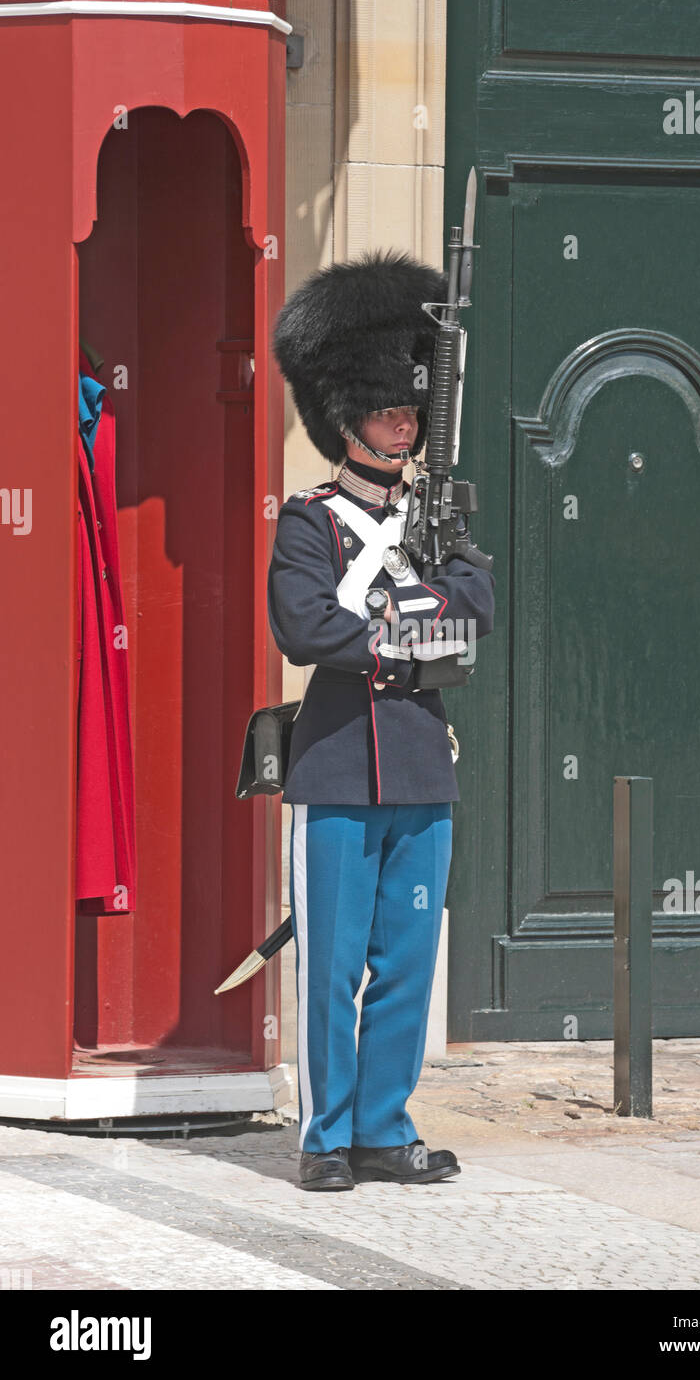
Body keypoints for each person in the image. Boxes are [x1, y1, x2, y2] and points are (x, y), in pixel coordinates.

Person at [268, 251, 495, 1190]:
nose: (404, 423)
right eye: (388, 410)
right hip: (336, 768)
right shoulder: (311, 521)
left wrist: (390, 621)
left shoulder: (439, 516)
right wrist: (407, 631)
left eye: (411, 409)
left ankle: (383, 1128)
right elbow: (304, 626)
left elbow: (475, 609)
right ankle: (325, 1139)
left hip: (420, 766)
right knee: (331, 967)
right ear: (347, 418)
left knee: (406, 961)